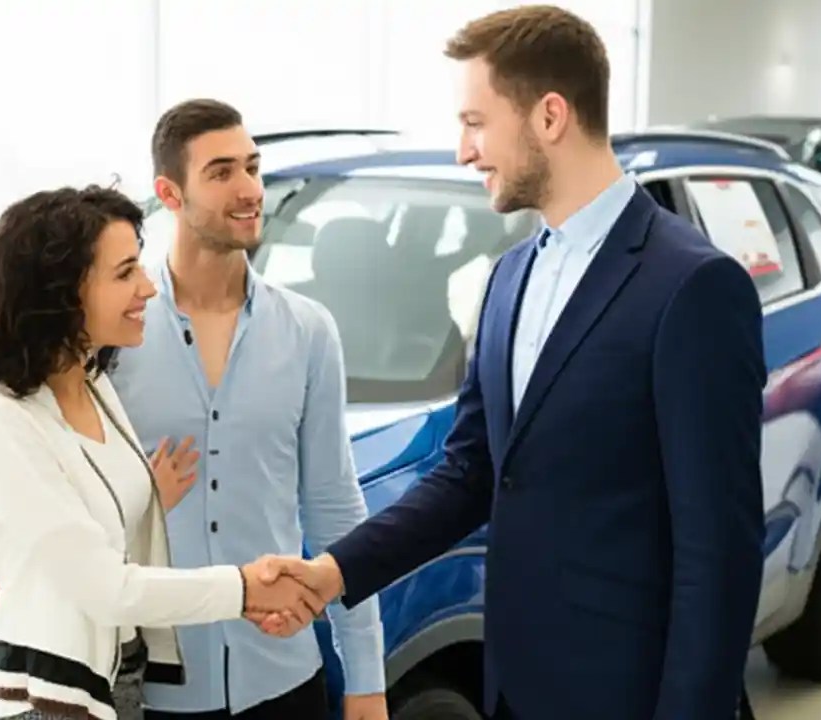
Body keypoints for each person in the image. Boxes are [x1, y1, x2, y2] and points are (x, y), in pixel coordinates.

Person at [256, 6, 766, 720]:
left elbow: (719, 554)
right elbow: (471, 473)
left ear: (550, 116)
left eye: (476, 122)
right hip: (516, 692)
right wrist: (332, 572)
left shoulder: (692, 287)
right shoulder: (509, 277)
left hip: (629, 697)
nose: (465, 151)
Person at [0, 100, 388, 720]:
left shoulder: (308, 332)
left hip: (283, 675)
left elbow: (335, 508)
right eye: (221, 172)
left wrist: (366, 679)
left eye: (252, 167)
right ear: (171, 192)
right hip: (148, 693)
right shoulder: (110, 340)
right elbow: (42, 482)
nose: (248, 190)